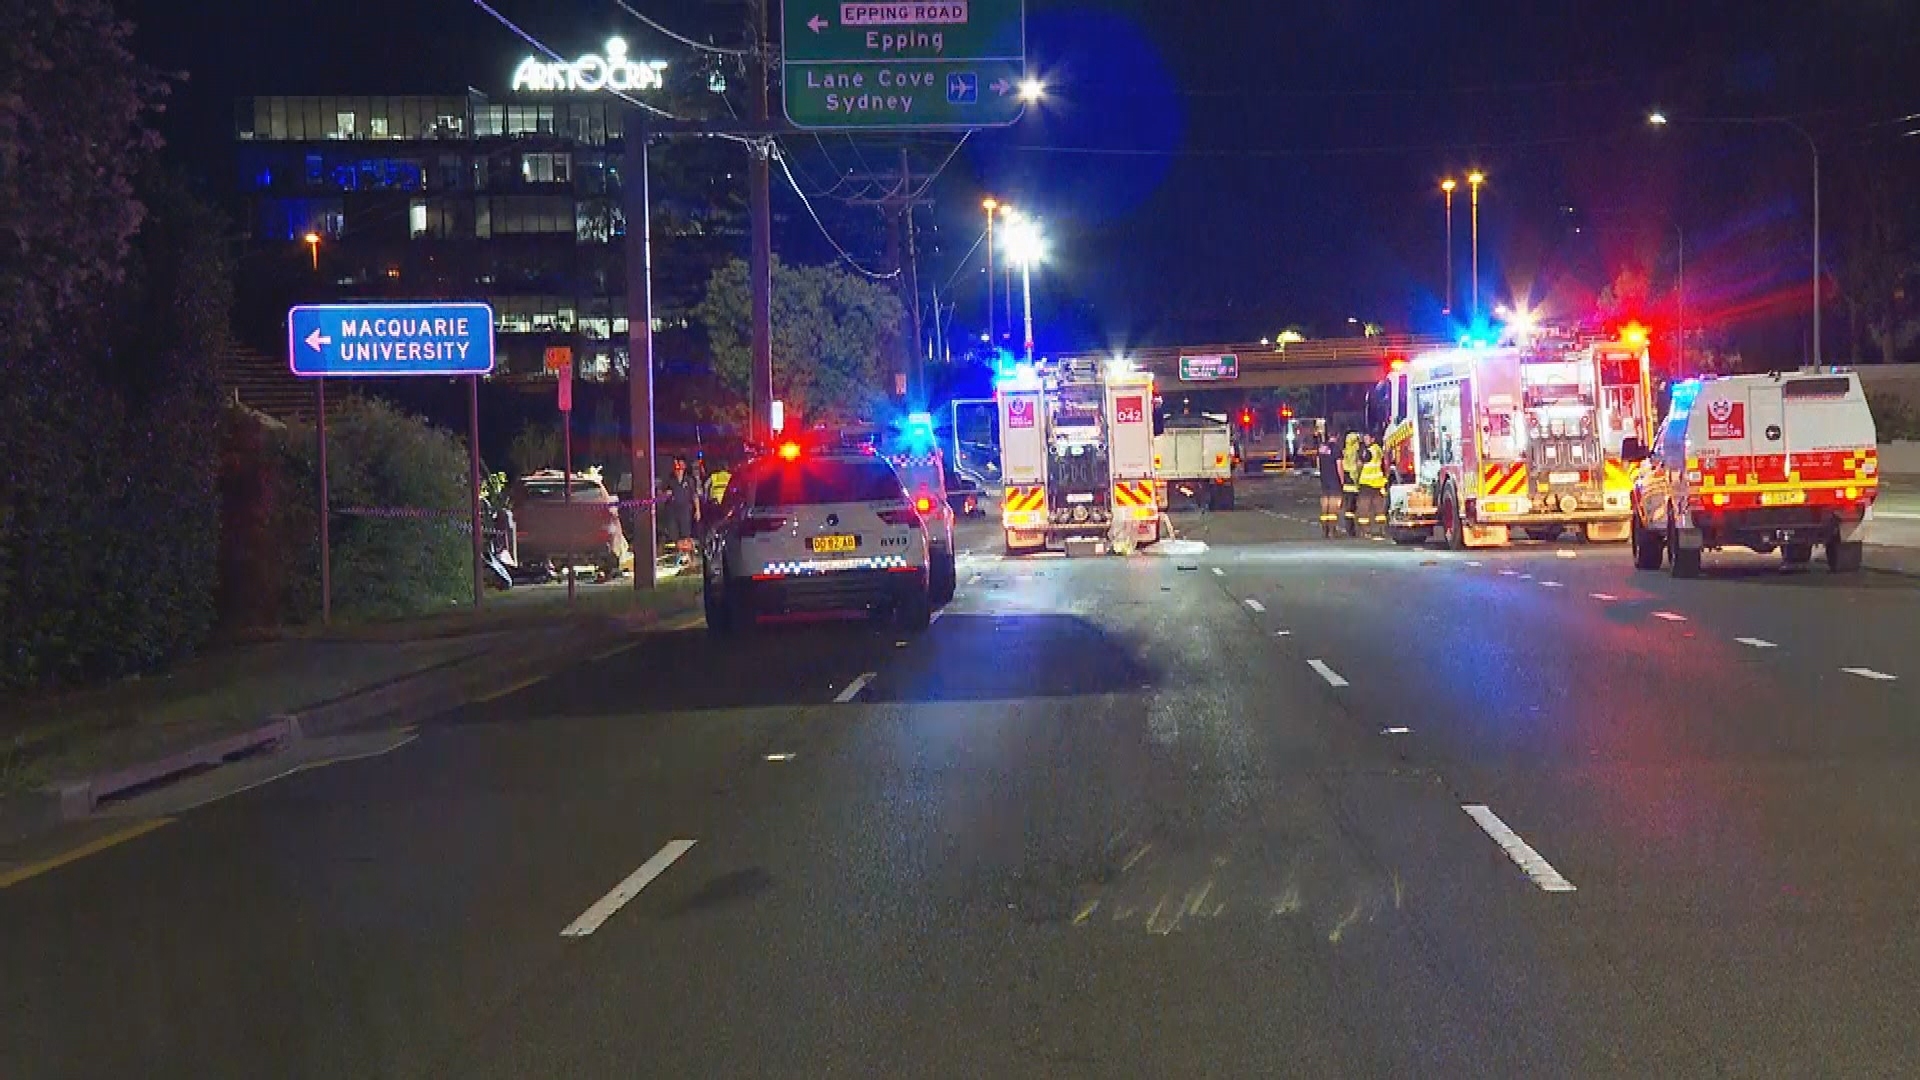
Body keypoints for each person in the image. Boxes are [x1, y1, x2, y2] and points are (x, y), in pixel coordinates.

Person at [661, 457, 700, 552]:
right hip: (672, 511)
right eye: (677, 466)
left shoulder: (689, 480)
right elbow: (662, 495)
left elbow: (695, 495)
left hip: (685, 510)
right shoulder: (670, 480)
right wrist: (666, 494)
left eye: (681, 466)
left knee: (685, 535)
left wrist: (698, 510)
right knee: (674, 536)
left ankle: (687, 555)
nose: (679, 468)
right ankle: (677, 555)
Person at [1358, 434, 1389, 539]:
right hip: (1378, 483)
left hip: (1367, 483)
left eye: (1367, 439)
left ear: (1372, 439)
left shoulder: (1368, 451)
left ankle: (1365, 531)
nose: (1365, 441)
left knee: (1364, 508)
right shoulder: (1378, 449)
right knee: (1379, 508)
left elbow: (1361, 463)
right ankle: (1382, 529)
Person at [1316, 434, 1344, 538]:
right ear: (1337, 437)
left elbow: (1318, 463)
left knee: (1324, 507)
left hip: (1324, 481)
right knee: (1333, 508)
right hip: (1334, 482)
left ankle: (1324, 530)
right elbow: (1339, 466)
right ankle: (1332, 531)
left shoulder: (1322, 448)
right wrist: (1342, 481)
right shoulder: (1336, 449)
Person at [1340, 432, 1363, 537]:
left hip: (1346, 484)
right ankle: (1352, 530)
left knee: (1348, 509)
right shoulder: (1356, 453)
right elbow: (1357, 468)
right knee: (1353, 508)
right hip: (1354, 483)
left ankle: (1349, 528)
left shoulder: (1345, 452)